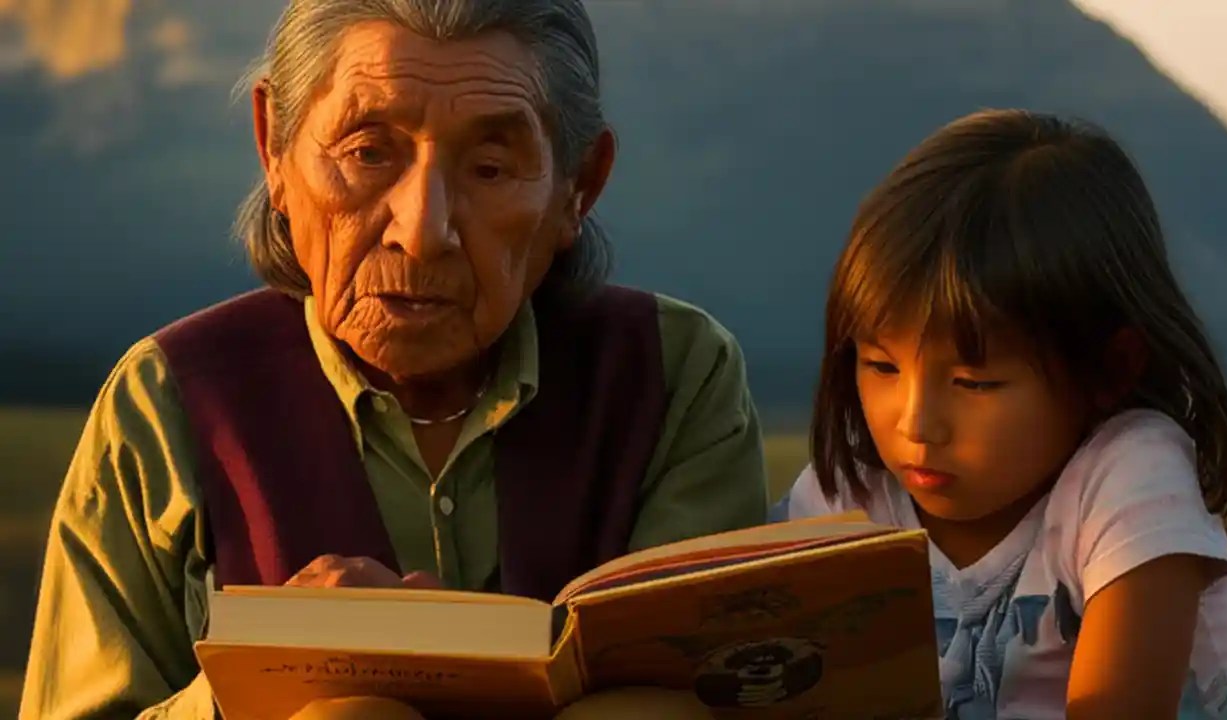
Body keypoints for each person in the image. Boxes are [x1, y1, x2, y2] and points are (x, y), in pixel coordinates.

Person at [18, 1, 766, 718]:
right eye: (368, 153)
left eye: (489, 168)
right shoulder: (169, 403)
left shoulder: (669, 376)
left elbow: (722, 688)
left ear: (580, 187)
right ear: (274, 148)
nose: (423, 230)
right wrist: (259, 681)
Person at [777, 109, 1227, 718]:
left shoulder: (1132, 478)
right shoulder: (846, 496)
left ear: (1109, 371)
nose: (916, 425)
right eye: (881, 367)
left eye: (975, 382)